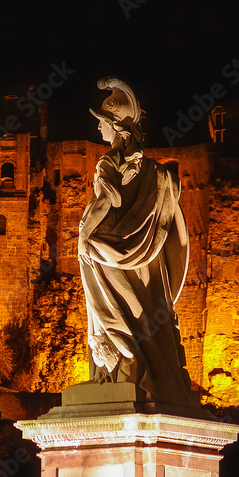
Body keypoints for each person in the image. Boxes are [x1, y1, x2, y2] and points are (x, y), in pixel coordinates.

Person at [78, 78, 193, 406]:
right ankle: (156, 374)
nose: (98, 130)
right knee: (145, 312)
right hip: (147, 259)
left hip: (109, 251)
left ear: (113, 127)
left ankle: (123, 369)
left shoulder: (108, 163)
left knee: (116, 312)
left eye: (100, 123)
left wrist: (84, 237)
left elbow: (105, 202)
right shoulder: (154, 171)